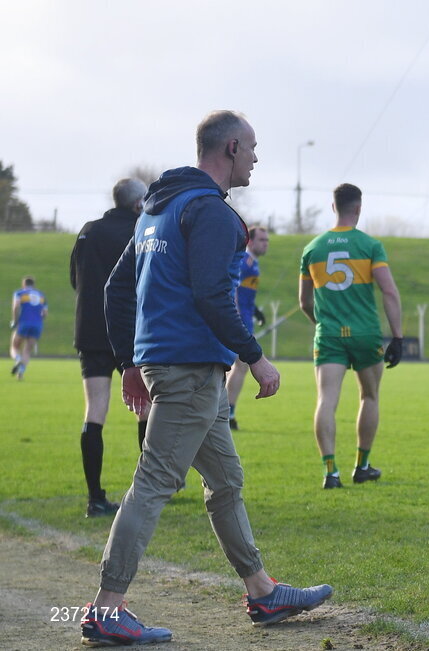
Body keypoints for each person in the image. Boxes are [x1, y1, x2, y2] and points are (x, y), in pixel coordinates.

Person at [83, 110, 332, 647]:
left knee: (226, 481)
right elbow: (211, 296)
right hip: (193, 370)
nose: (258, 158)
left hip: (176, 368)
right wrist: (257, 356)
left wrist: (130, 363)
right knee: (153, 483)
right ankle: (106, 609)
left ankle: (262, 591)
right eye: (255, 148)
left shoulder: (156, 211)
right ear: (233, 148)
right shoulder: (214, 215)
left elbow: (114, 290)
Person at [299, 183, 404, 489]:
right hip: (365, 334)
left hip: (329, 334)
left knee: (326, 400)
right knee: (369, 396)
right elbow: (389, 291)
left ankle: (330, 471)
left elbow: (304, 302)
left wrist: (321, 323)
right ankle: (362, 465)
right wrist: (397, 337)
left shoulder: (313, 249)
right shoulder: (370, 246)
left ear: (333, 207)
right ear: (358, 208)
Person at [70, 177, 150, 518]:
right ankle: (150, 491)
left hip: (89, 330)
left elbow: (75, 278)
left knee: (95, 411)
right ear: (136, 205)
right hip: (128, 331)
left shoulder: (89, 230)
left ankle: (95, 498)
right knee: (145, 406)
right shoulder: (140, 229)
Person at [225, 225, 270, 431]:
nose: (265, 243)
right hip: (238, 322)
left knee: (233, 368)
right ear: (250, 241)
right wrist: (236, 320)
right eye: (262, 240)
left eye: (266, 240)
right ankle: (228, 412)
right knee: (240, 367)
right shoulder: (244, 261)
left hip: (244, 319)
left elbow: (245, 294)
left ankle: (224, 411)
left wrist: (256, 311)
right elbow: (231, 288)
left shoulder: (254, 263)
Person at [10, 276, 46, 381]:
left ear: (23, 284)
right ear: (33, 285)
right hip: (37, 325)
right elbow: (44, 313)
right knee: (27, 350)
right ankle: (20, 373)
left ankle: (17, 360)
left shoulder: (20, 293)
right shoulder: (41, 295)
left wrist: (15, 321)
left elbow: (16, 306)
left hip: (23, 322)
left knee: (14, 346)